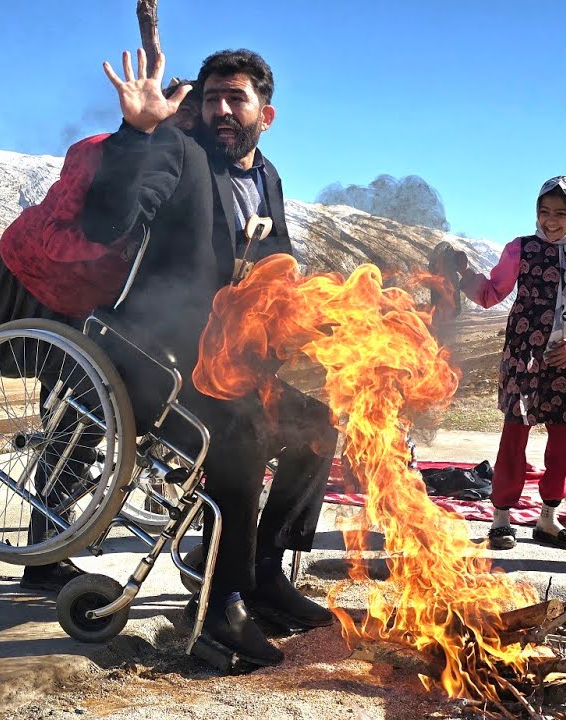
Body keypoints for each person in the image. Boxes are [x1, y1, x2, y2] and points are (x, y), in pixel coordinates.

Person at [0, 47, 199, 593]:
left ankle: (46, 552)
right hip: (23, 275)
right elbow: (59, 237)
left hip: (89, 310)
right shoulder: (98, 153)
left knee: (81, 413)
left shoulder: (193, 190)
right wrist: (124, 228)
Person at [89, 47, 338, 670]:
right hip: (152, 356)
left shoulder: (268, 176)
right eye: (210, 100)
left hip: (226, 361)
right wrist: (134, 132)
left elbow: (274, 265)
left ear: (267, 113)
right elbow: (107, 221)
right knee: (240, 435)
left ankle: (261, 574)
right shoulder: (178, 154)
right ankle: (218, 609)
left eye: (236, 99)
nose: (221, 111)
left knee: (318, 426)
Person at [452, 176, 566, 551]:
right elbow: (492, 293)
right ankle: (502, 518)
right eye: (544, 212)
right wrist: (463, 274)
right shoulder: (520, 249)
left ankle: (548, 520)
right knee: (513, 440)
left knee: (561, 447)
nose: (551, 221)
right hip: (523, 357)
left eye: (560, 213)